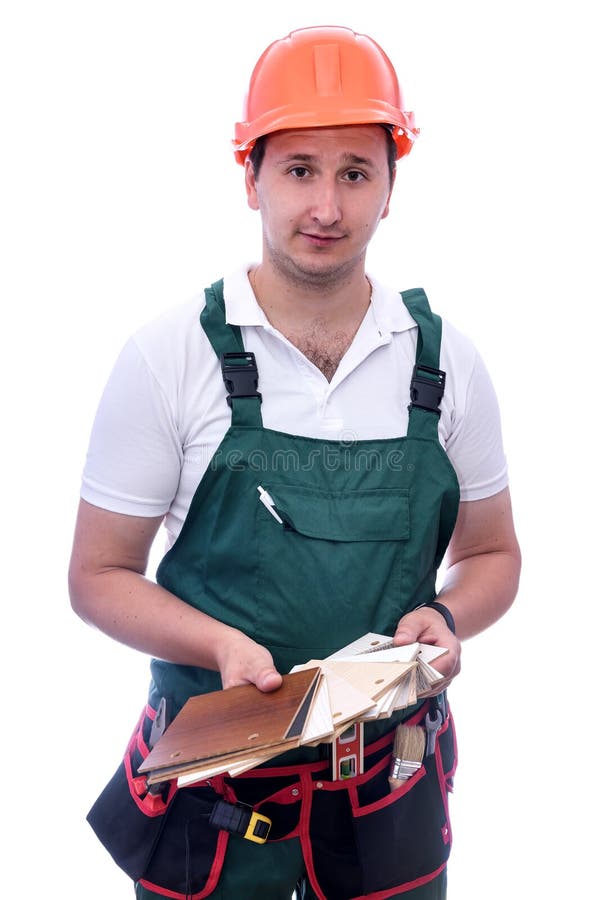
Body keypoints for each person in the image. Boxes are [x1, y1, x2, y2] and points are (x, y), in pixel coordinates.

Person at [69, 25, 521, 900]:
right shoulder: (170, 357)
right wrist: (217, 645)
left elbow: (495, 555)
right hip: (217, 808)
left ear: (390, 187)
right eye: (298, 169)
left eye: (355, 171)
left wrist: (449, 617)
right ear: (250, 176)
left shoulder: (445, 363)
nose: (326, 206)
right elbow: (97, 576)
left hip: (389, 793)